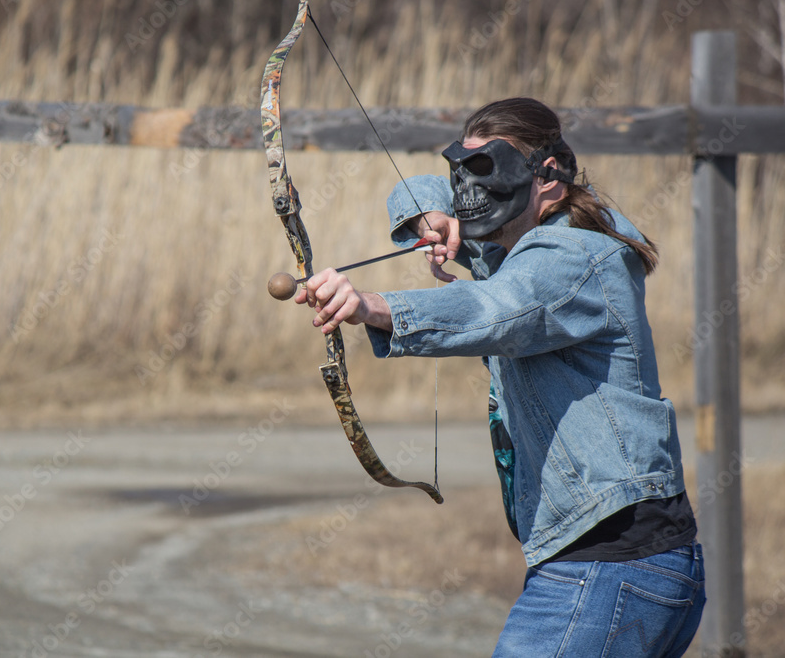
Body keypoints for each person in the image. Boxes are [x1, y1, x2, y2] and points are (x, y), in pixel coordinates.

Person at [297, 97, 705, 656]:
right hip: (623, 563)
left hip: (612, 561)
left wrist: (372, 305)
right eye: (462, 173)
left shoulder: (574, 255)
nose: (470, 192)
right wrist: (428, 216)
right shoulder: (524, 237)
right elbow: (428, 190)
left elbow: (499, 309)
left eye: (489, 172)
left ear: (549, 177)